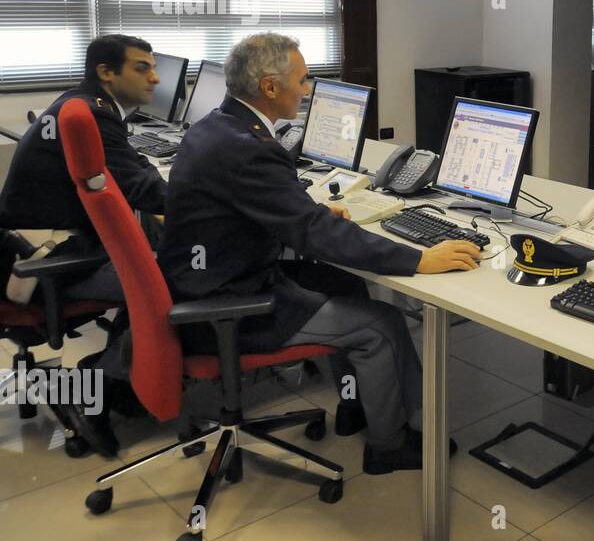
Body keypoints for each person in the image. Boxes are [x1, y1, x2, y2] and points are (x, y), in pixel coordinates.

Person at [159, 33, 482, 474]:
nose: (307, 90)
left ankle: (356, 404)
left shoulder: (217, 127)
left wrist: (303, 211)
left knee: (346, 282)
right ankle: (388, 444)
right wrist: (418, 259)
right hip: (229, 303)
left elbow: (259, 211)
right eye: (303, 80)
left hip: (205, 280)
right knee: (382, 325)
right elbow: (313, 234)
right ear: (270, 88)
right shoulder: (250, 149)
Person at [0, 34, 170, 456]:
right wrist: (208, 193)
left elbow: (127, 163)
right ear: (106, 72)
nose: (155, 77)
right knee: (166, 281)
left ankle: (123, 377)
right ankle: (107, 384)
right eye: (142, 68)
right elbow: (143, 190)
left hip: (33, 249)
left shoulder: (83, 105)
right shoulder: (93, 115)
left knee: (158, 245)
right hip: (48, 266)